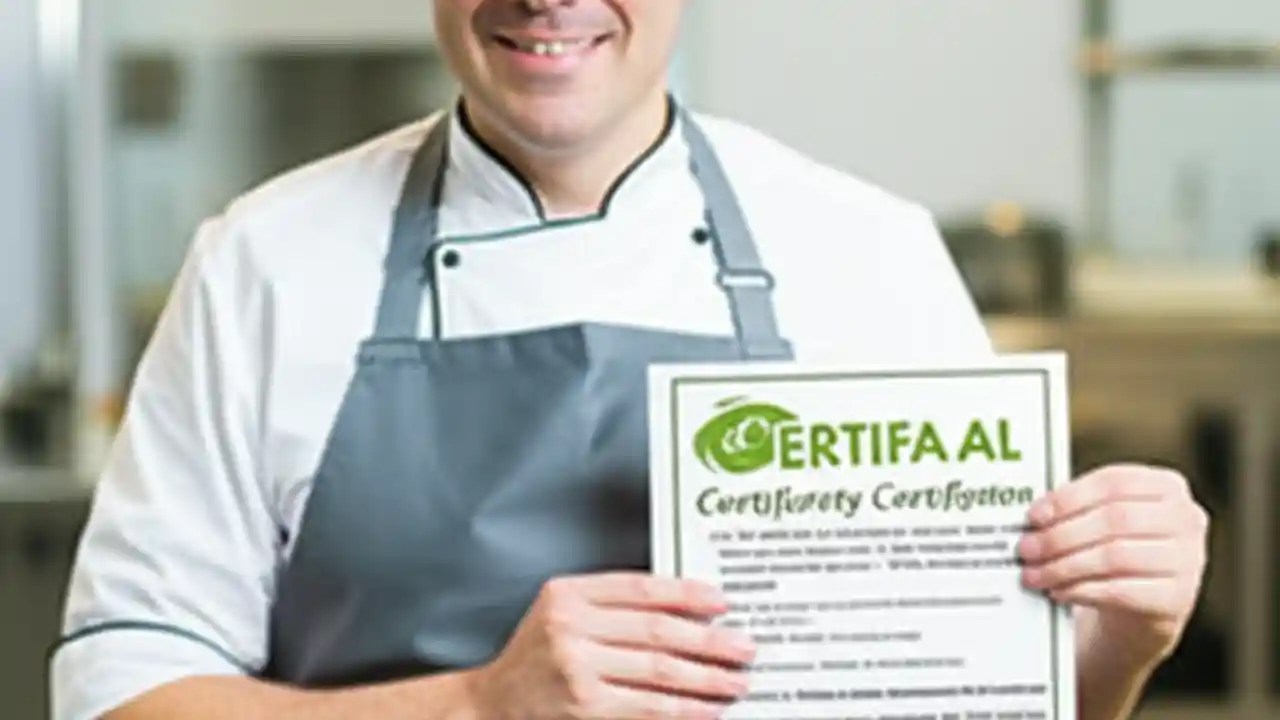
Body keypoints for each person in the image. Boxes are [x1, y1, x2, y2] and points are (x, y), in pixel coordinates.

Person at [51, 1, 1209, 719]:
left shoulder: (865, 253)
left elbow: (992, 707)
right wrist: (476, 709)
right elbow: (120, 697)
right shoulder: (264, 261)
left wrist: (1117, 643)